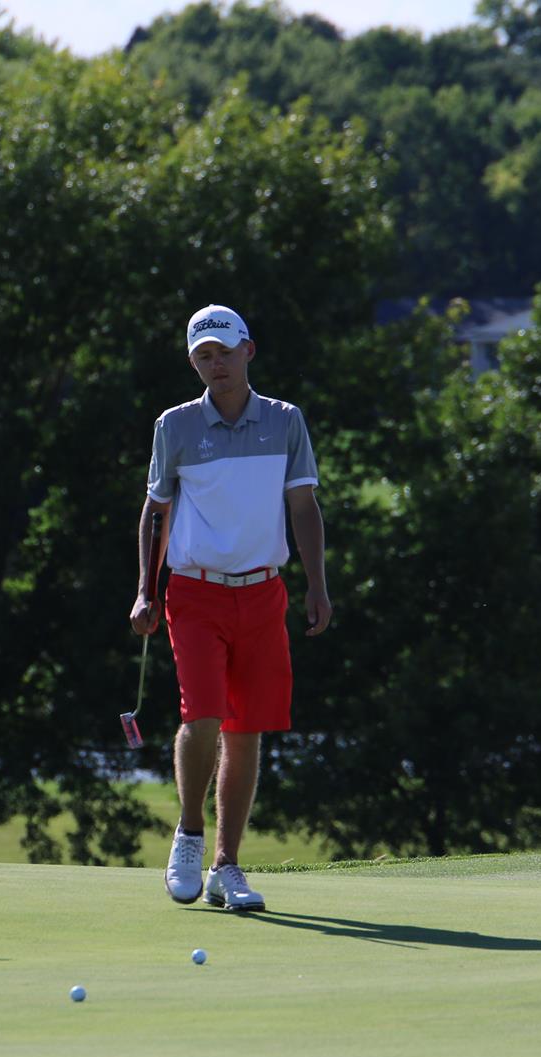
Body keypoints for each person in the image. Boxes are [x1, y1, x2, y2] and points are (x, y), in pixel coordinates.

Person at [128, 304, 331, 912]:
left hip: (264, 592)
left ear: (249, 350)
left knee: (246, 731)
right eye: (203, 356)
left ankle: (227, 867)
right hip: (195, 592)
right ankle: (190, 834)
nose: (215, 364)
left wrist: (317, 585)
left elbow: (303, 507)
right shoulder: (175, 426)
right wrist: (145, 589)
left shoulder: (286, 421)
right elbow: (156, 511)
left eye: (223, 352)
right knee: (203, 716)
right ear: (194, 364)